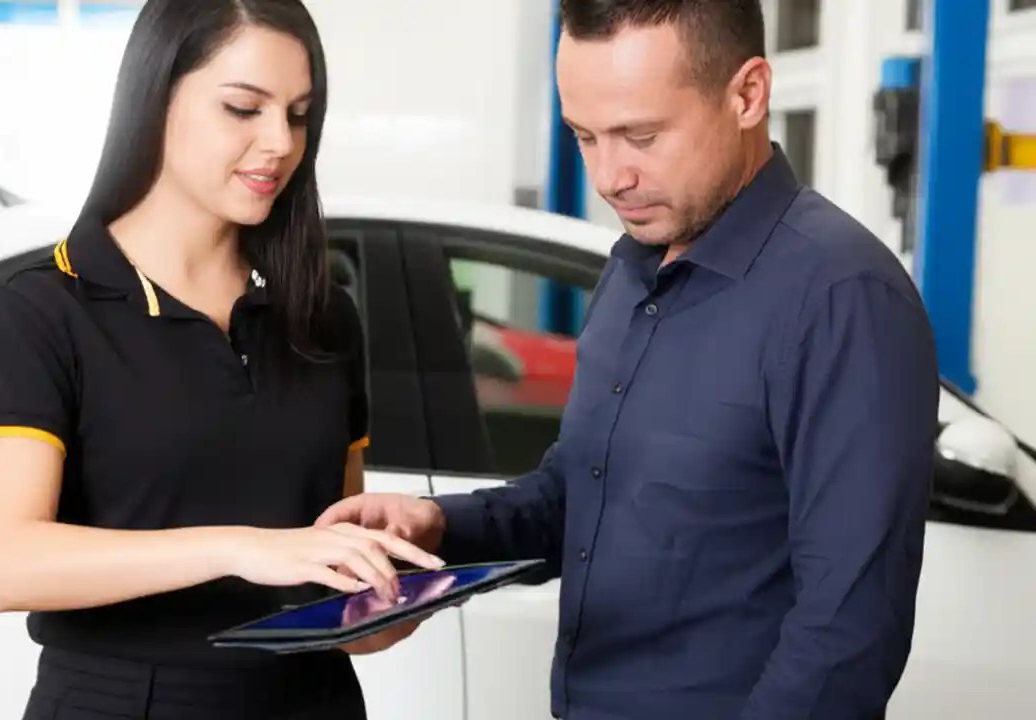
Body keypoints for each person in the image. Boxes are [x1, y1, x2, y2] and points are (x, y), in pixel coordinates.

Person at [317, 1, 941, 718]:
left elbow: (849, 635)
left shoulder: (842, 298)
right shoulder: (631, 271)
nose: (610, 176)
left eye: (639, 135)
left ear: (748, 94)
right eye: (585, 136)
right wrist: (439, 525)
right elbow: (585, 497)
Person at [0, 1, 442, 718]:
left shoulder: (322, 315)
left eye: (300, 114)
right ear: (156, 98)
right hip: (127, 703)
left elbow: (328, 599)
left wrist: (387, 599)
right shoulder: (41, 310)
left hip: (312, 701)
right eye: (243, 108)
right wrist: (241, 548)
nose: (280, 142)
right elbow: (5, 565)